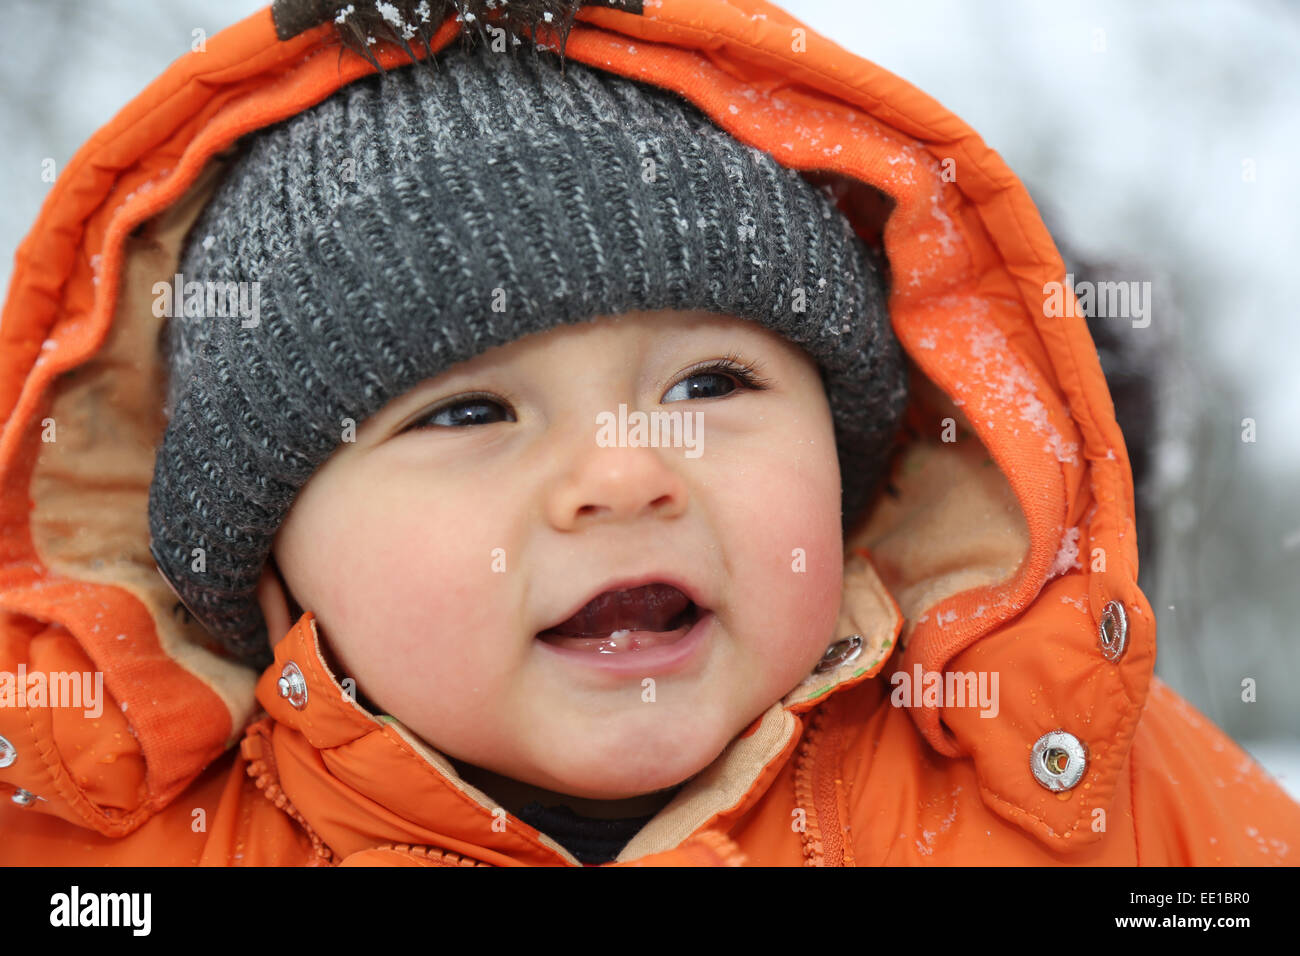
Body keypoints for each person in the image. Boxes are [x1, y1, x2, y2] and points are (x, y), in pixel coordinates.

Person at [1, 0, 1296, 866]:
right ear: (267, 561)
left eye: (709, 386)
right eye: (468, 411)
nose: (621, 474)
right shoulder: (105, 846)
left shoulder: (1079, 802)